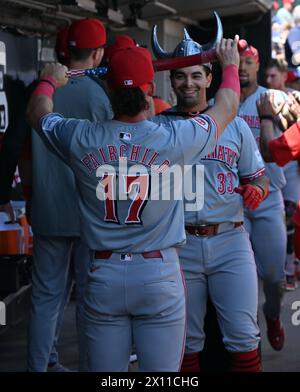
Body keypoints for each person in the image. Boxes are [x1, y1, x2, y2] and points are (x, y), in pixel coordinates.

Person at [26, 36, 241, 371]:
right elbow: (227, 104)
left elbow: (37, 112)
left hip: (104, 274)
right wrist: (229, 65)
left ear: (109, 92)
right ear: (148, 91)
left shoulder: (81, 137)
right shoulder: (174, 138)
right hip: (158, 272)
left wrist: (48, 80)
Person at [152, 37, 268, 372]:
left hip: (230, 240)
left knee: (244, 336)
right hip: (180, 244)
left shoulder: (234, 125)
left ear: (209, 77)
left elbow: (258, 178)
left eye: (196, 75)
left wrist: (256, 191)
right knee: (185, 341)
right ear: (171, 81)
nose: (188, 82)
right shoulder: (158, 126)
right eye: (180, 76)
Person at [26, 18, 112, 372]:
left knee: (46, 297)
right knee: (91, 300)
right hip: (88, 214)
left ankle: (42, 364)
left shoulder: (43, 90)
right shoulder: (98, 95)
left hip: (48, 209)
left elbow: (24, 150)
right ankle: (92, 366)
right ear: (98, 53)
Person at [238, 44, 287, 351]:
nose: (242, 68)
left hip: (269, 195)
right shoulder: (220, 101)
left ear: (256, 66)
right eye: (237, 63)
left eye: (248, 62)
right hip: (235, 199)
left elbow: (278, 150)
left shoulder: (272, 99)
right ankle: (245, 337)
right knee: (240, 278)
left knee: (274, 276)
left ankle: (272, 315)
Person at [265, 58, 300, 290]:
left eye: (273, 76)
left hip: (290, 169)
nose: (268, 81)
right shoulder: (264, 97)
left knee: (290, 220)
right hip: (278, 169)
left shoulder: (294, 101)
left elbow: (271, 152)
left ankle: (289, 267)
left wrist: (268, 117)